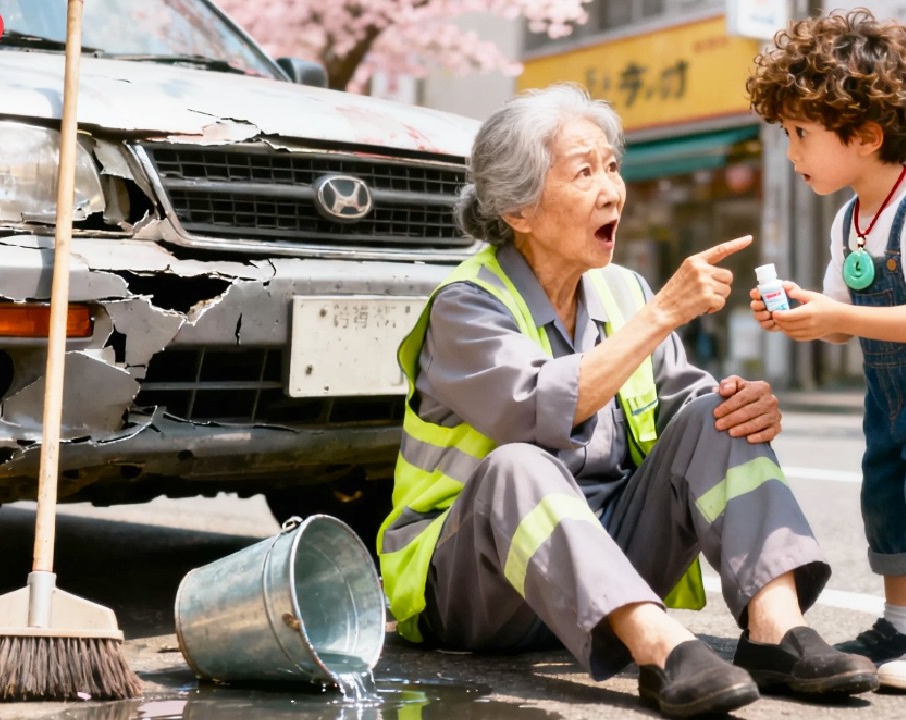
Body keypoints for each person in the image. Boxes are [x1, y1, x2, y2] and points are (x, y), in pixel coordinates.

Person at [376, 83, 877, 719]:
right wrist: (665, 312)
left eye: (612, 166)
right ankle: (661, 648)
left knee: (715, 417)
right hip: (480, 588)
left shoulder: (623, 290)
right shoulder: (466, 305)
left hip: (605, 560)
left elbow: (683, 403)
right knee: (518, 464)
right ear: (519, 209)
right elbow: (535, 415)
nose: (612, 189)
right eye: (584, 172)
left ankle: (775, 632)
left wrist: (743, 405)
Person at [745, 10, 906, 694]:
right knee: (886, 497)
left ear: (865, 134)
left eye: (802, 134)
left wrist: (838, 314)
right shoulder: (850, 217)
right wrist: (808, 317)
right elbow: (845, 320)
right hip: (891, 393)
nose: (792, 152)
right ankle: (899, 624)